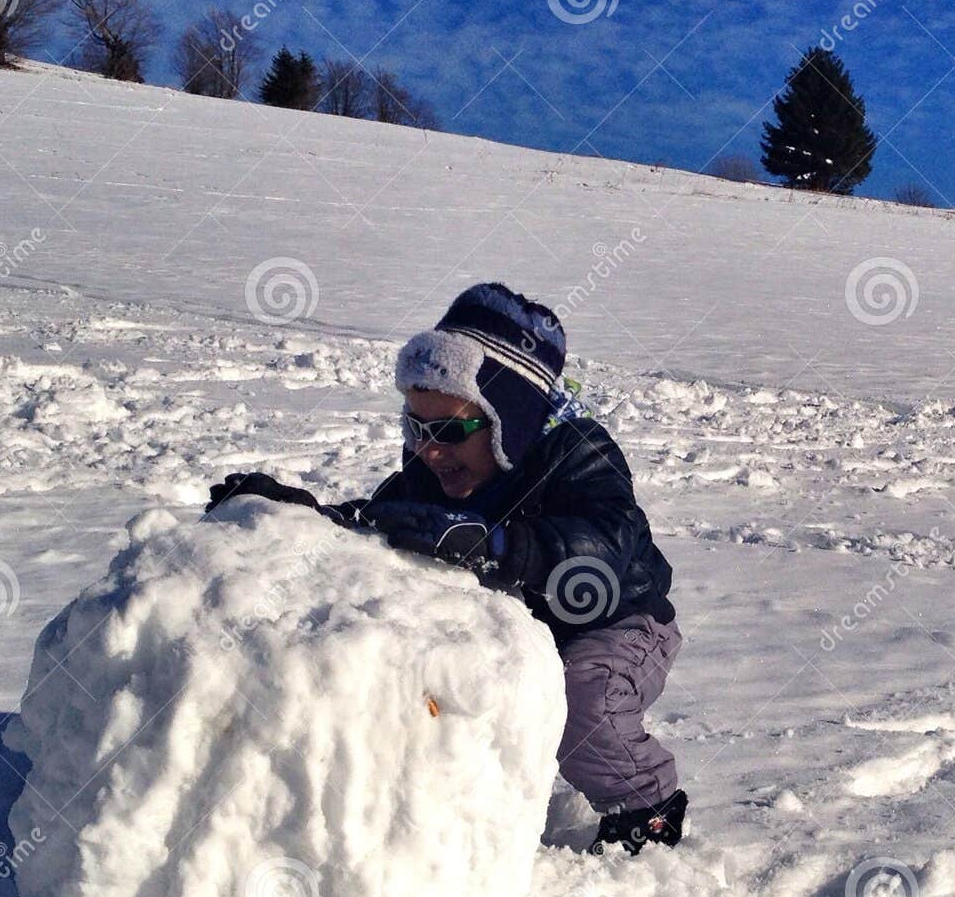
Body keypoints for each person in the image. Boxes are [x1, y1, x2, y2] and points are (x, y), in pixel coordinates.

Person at [207, 283, 686, 855]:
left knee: (585, 700)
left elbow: (605, 547)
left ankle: (645, 809)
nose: (430, 450)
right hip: (519, 626)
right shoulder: (430, 470)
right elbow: (385, 522)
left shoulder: (576, 450)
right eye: (417, 428)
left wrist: (502, 545)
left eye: (451, 430)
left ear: (506, 417)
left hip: (617, 623)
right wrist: (301, 516)